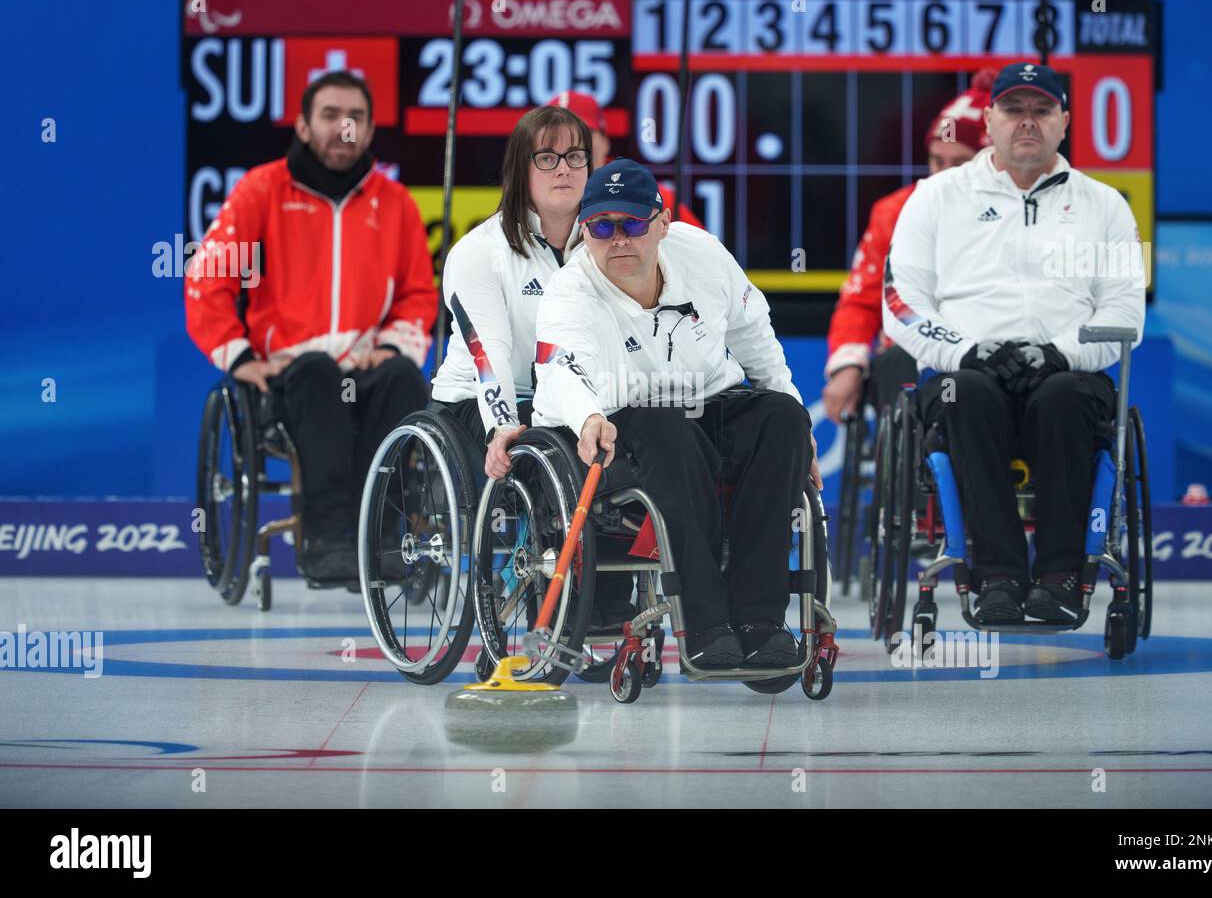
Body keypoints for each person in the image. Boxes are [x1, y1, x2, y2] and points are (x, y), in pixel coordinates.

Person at [883, 62, 1146, 624]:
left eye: (1042, 110)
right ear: (989, 118)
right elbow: (900, 304)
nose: (1027, 122)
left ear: (1064, 121)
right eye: (1014, 109)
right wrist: (968, 351)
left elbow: (1126, 313)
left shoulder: (1108, 206)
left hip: (1069, 377)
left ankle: (1059, 577)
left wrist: (1058, 353)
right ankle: (997, 576)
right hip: (964, 374)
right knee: (966, 394)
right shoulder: (934, 199)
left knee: (1065, 396)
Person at [532, 158, 819, 669]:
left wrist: (796, 412)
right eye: (601, 226)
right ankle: (707, 623)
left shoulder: (702, 253)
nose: (618, 239)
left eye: (633, 224)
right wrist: (588, 416)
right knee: (666, 423)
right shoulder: (570, 291)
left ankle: (759, 620)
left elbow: (755, 336)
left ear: (662, 223)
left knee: (784, 419)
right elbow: (561, 368)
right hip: (619, 426)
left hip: (709, 407)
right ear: (584, 230)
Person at [185, 71, 436, 586]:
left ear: (368, 132)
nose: (342, 128)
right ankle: (327, 539)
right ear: (302, 125)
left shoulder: (396, 204)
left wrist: (392, 345)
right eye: (329, 115)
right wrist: (238, 357)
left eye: (356, 118)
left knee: (405, 377)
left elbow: (417, 295)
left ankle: (386, 535)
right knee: (319, 372)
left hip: (364, 370)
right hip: (289, 376)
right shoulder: (261, 190)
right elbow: (207, 277)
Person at [429, 104, 634, 630]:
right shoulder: (480, 253)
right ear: (522, 169)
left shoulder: (608, 246)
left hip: (573, 399)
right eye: (547, 157)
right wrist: (502, 425)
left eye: (574, 156)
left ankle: (610, 598)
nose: (563, 168)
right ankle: (576, 605)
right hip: (483, 400)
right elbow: (487, 355)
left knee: (624, 437)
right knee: (554, 443)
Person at [822, 69, 996, 425]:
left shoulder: (1018, 212)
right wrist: (848, 364)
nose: (943, 174)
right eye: (937, 161)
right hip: (911, 352)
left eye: (959, 163)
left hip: (989, 351)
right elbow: (860, 300)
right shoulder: (895, 210)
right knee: (899, 362)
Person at [547, 90, 705, 229]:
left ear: (605, 143)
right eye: (556, 138)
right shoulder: (527, 203)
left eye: (581, 133)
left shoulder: (652, 198)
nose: (570, 146)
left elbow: (707, 256)